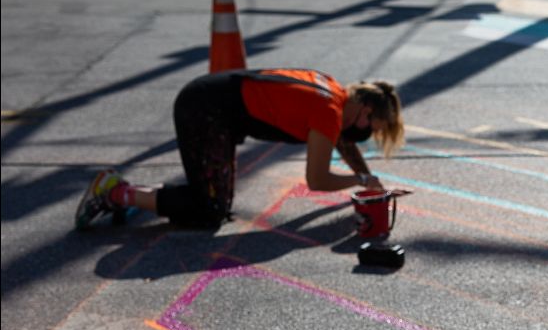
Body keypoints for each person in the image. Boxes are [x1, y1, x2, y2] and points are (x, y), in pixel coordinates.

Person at [75, 68, 404, 230]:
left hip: (215, 107)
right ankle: (116, 193)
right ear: (364, 110)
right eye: (370, 128)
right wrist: (359, 183)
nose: (365, 135)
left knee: (215, 201)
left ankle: (137, 195)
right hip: (204, 110)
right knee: (208, 211)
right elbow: (317, 180)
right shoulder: (328, 113)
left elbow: (344, 142)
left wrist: (366, 175)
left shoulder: (333, 92)